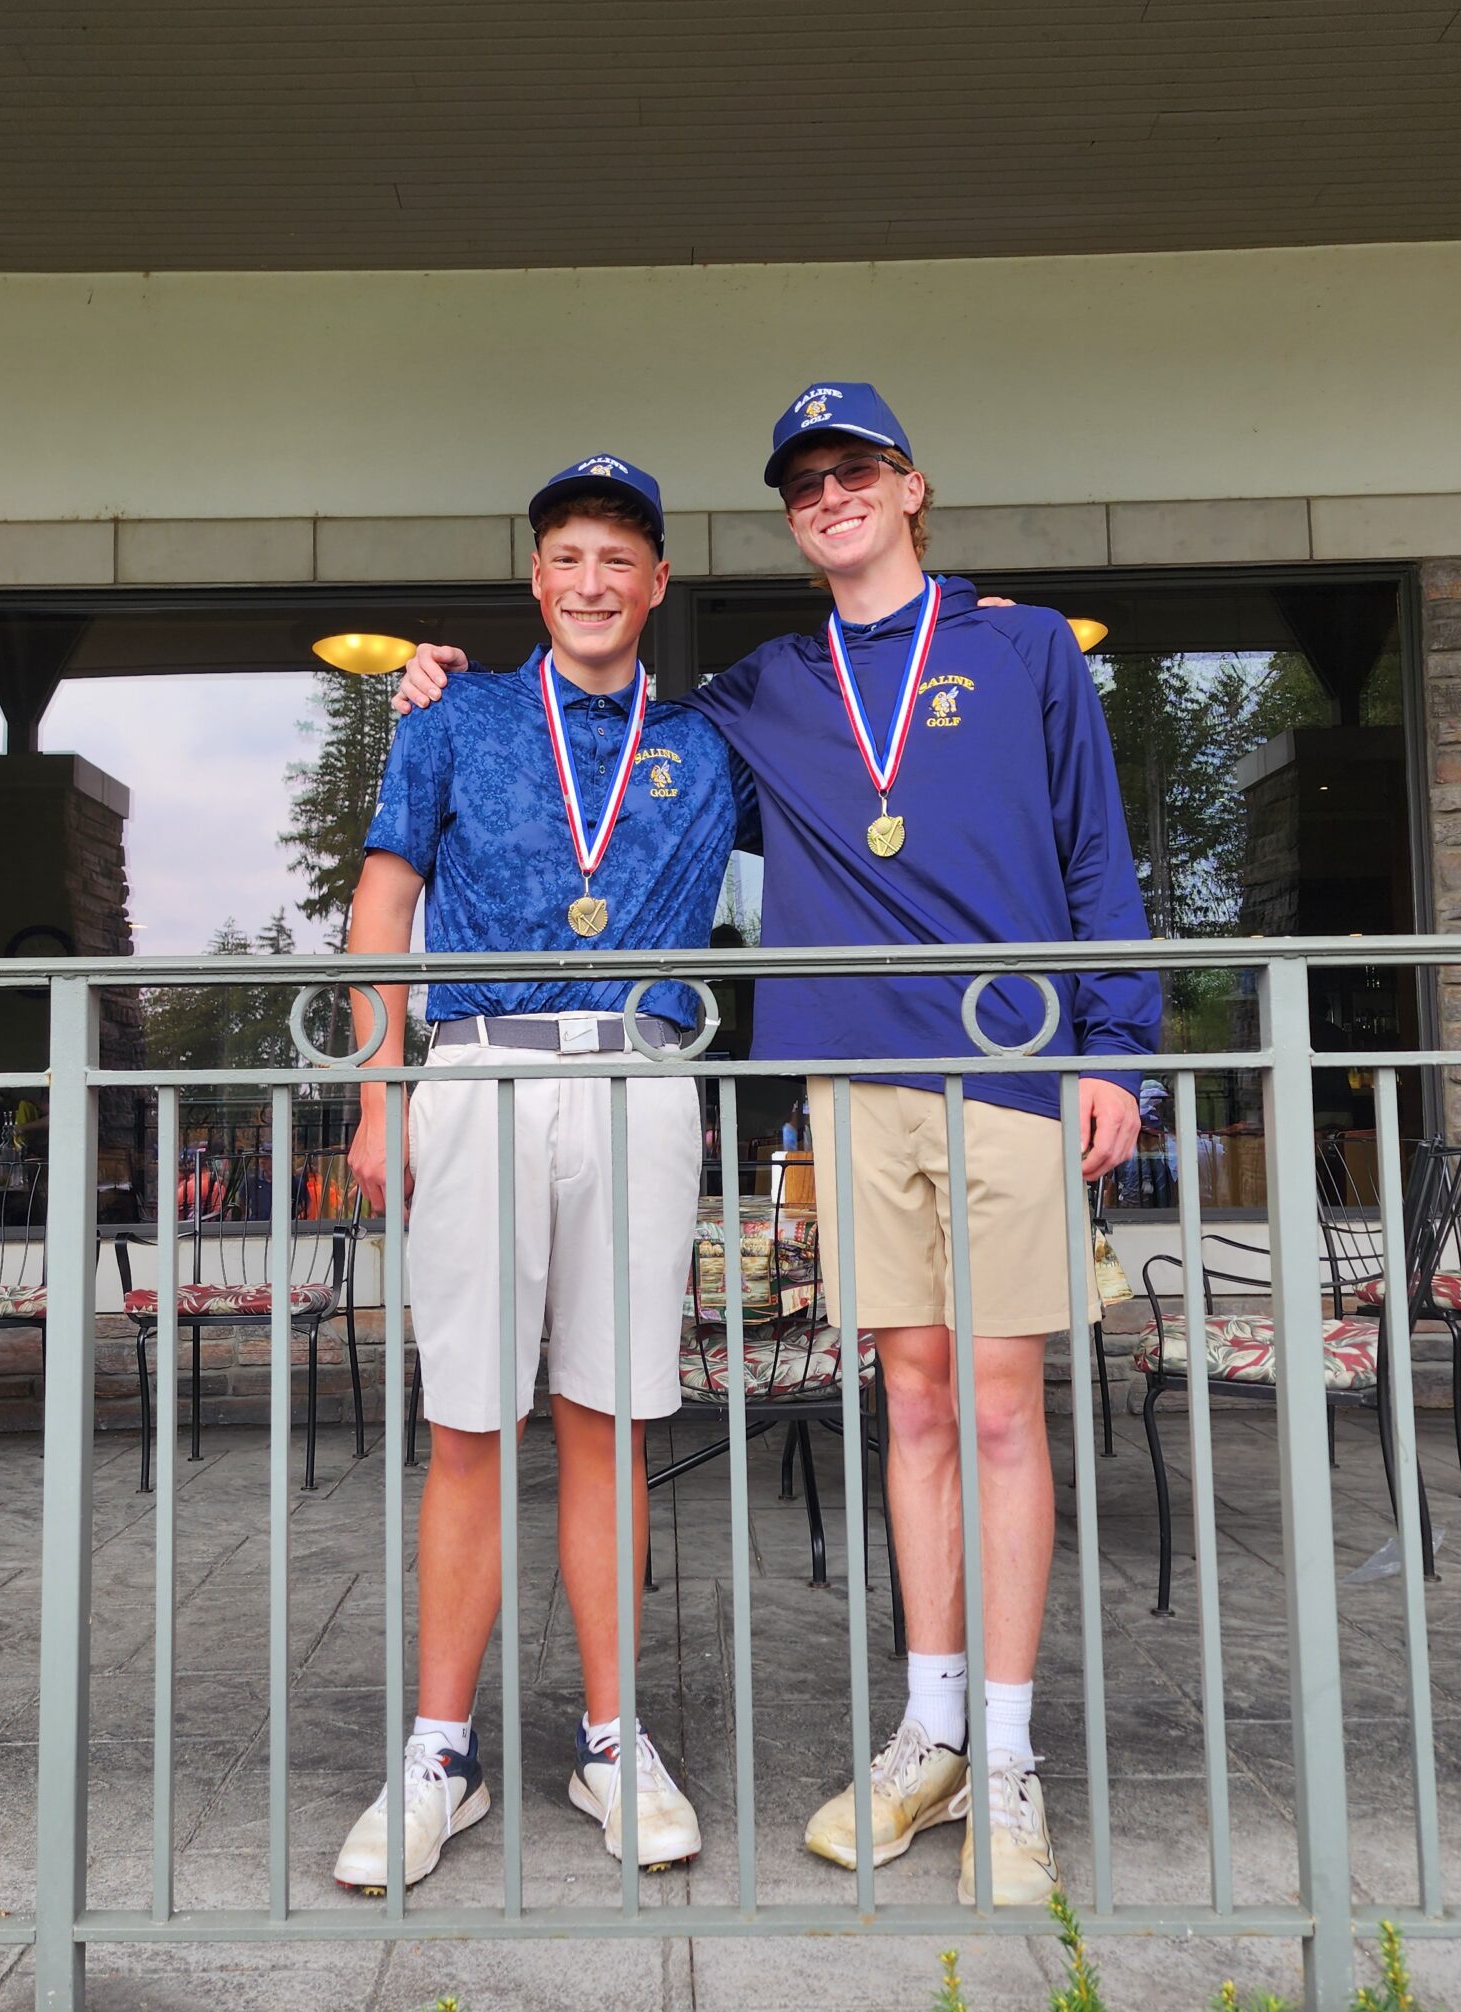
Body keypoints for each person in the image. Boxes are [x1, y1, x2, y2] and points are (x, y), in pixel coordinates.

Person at [393, 383, 1157, 1908]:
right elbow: (605, 728)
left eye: (856, 470)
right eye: (806, 484)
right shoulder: (763, 694)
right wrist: (433, 692)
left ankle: (1006, 1760)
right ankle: (927, 1729)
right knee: (917, 1407)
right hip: (854, 1087)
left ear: (913, 486)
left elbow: (1095, 847)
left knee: (1006, 1411)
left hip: (1009, 1070)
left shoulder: (1022, 650)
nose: (833, 497)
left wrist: (1118, 1045)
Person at [334, 453, 752, 1892]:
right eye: (566, 555)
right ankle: (436, 1755)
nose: (590, 582)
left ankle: (612, 1738)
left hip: (639, 1075)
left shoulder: (711, 743)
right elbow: (384, 898)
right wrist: (380, 1090)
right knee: (466, 1422)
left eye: (617, 560)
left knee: (610, 1419)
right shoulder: (458, 718)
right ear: (536, 576)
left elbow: (868, 764)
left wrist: (990, 646)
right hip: (478, 1068)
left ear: (654, 584)